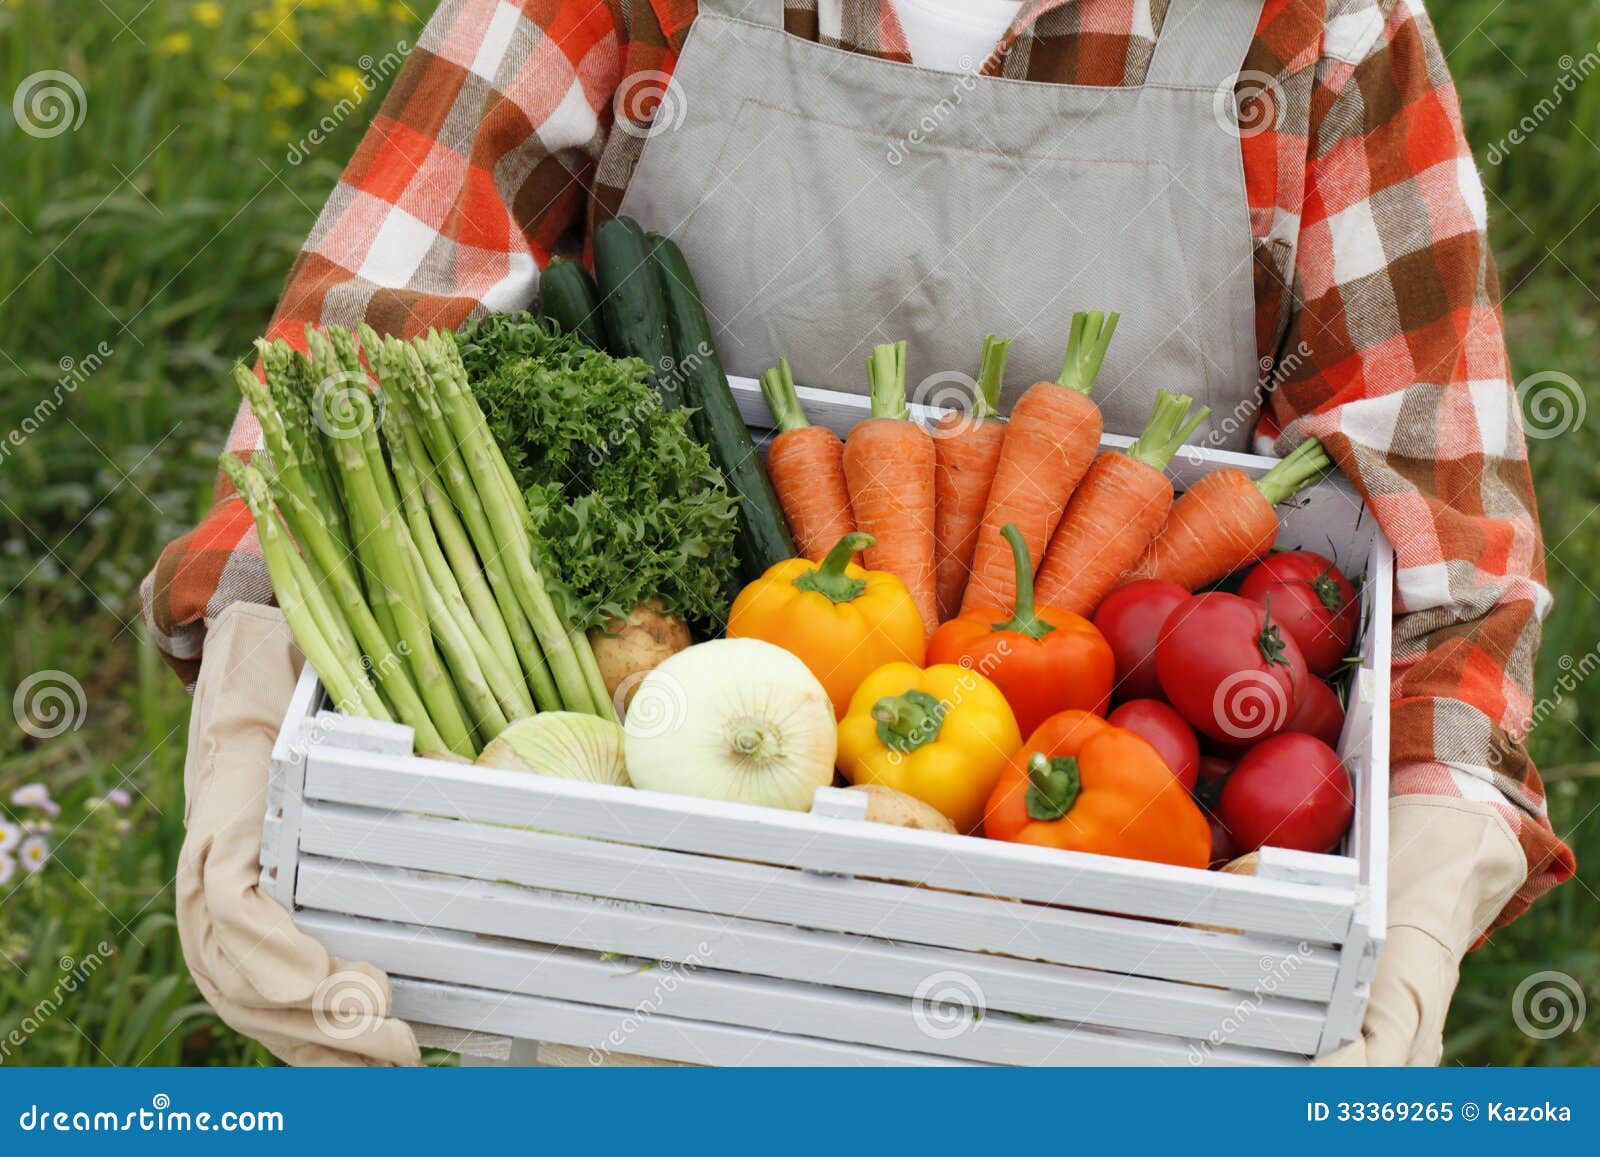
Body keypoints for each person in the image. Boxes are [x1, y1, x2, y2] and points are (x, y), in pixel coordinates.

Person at [144, 0, 1574, 1066]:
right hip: (639, 918)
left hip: (1105, 984)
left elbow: (1448, 566)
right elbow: (349, 382)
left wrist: (1420, 898)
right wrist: (248, 738)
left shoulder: (1312, 30)